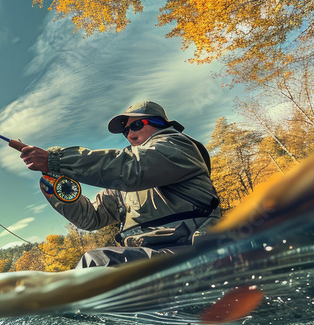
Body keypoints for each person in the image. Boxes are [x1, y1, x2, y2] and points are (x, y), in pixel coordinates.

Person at [19, 100, 221, 268]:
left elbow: (132, 168)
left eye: (136, 125)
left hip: (195, 252)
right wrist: (54, 179)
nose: (130, 135)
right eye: (125, 132)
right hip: (148, 257)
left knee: (97, 263)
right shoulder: (123, 188)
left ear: (159, 123)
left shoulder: (177, 145)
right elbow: (90, 218)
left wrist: (57, 160)